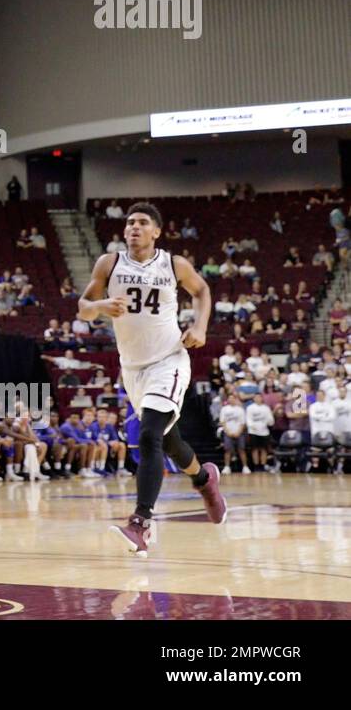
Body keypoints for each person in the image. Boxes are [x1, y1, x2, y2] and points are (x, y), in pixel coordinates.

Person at [78, 202, 227, 557]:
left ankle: (141, 523)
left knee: (147, 436)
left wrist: (201, 326)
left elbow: (202, 291)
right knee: (170, 441)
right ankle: (205, 481)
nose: (133, 227)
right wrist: (100, 307)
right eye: (130, 222)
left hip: (169, 361)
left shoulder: (173, 264)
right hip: (133, 369)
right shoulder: (109, 263)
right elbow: (83, 305)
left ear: (156, 232)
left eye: (142, 223)